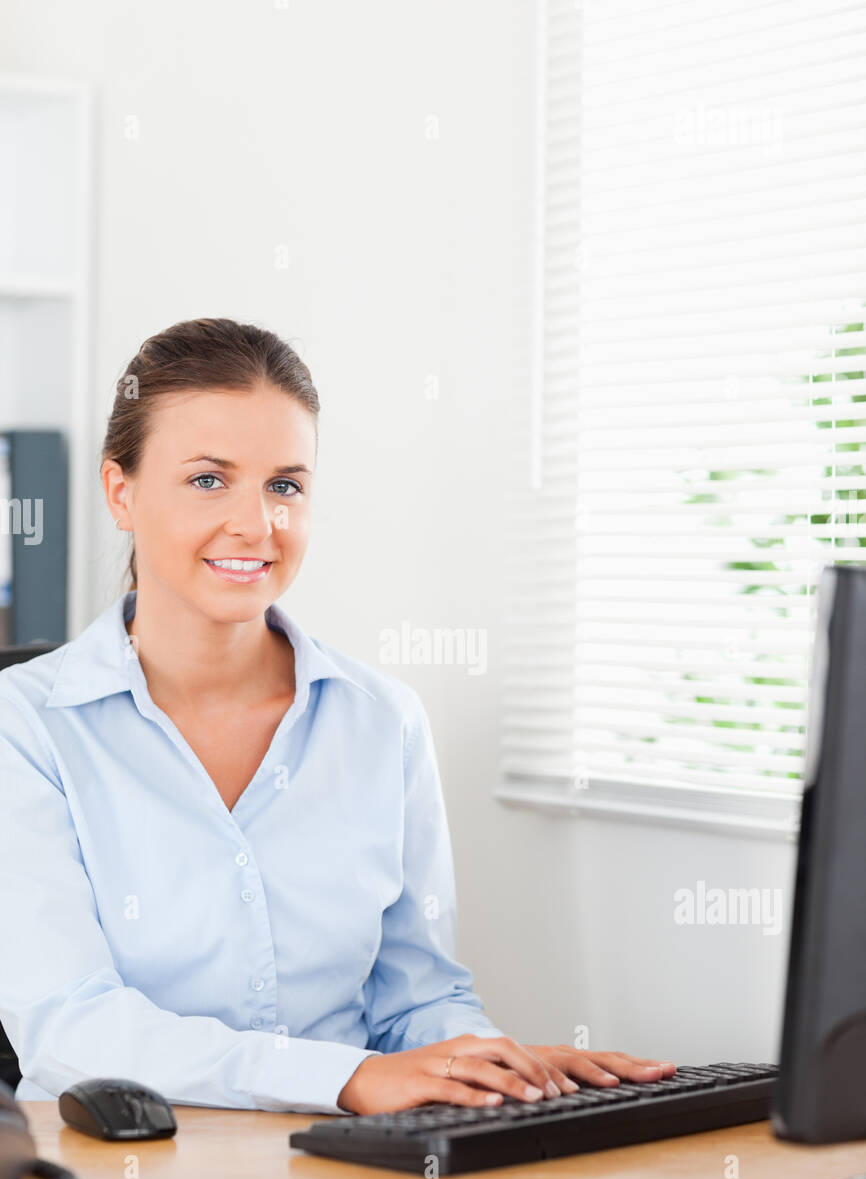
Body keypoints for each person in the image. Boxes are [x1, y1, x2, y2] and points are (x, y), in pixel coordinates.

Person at [0, 317, 675, 1115]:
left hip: (337, 1166)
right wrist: (346, 1080)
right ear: (122, 491)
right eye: (209, 480)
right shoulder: (29, 727)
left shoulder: (382, 722)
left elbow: (415, 1001)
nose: (256, 524)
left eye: (285, 484)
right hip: (117, 1177)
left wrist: (491, 1071)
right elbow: (70, 1025)